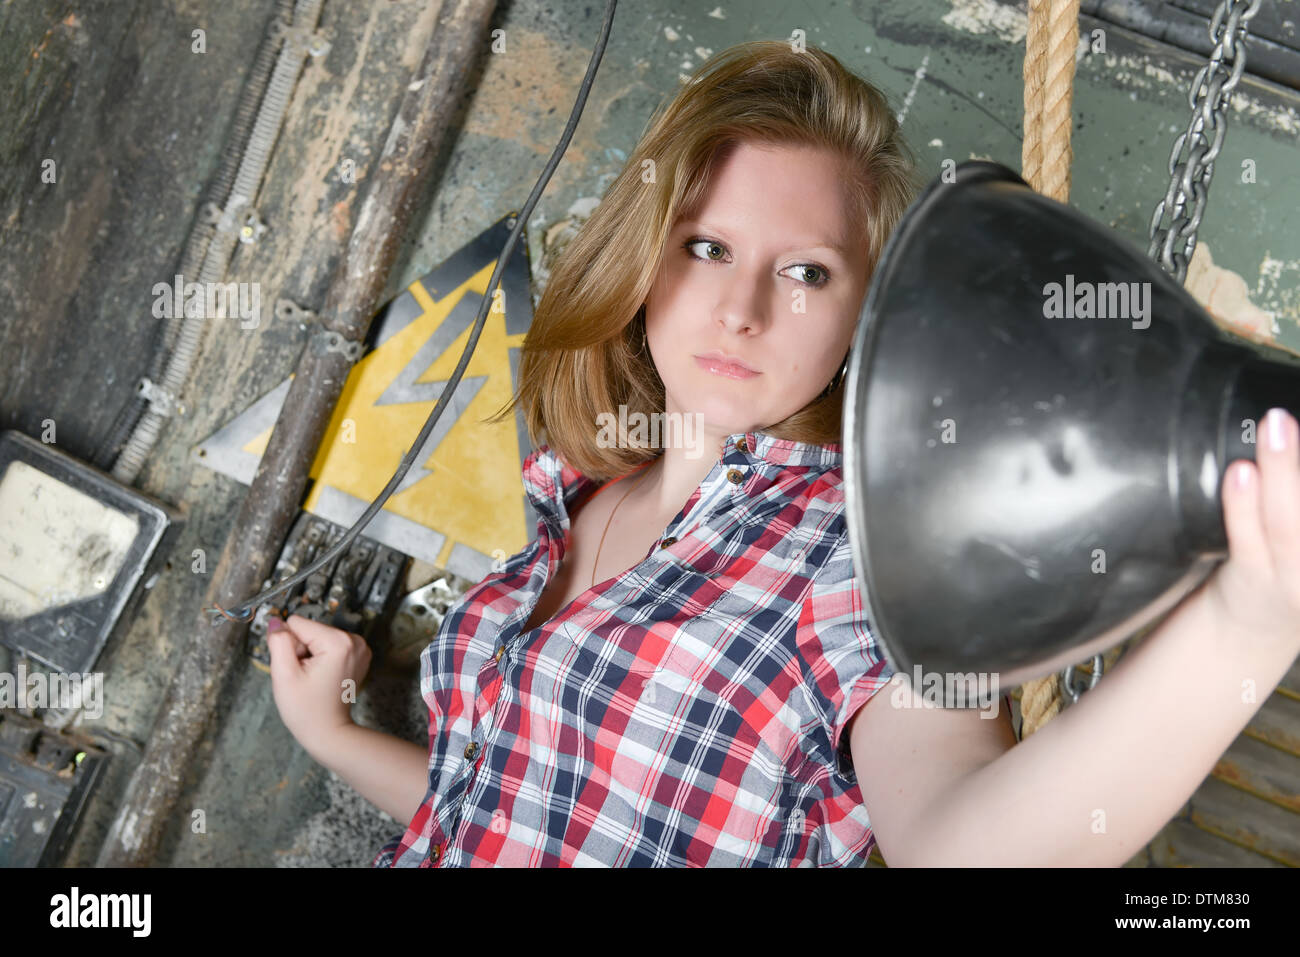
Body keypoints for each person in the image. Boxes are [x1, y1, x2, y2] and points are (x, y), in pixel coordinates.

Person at [266, 40, 1300, 867]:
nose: (741, 309)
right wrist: (335, 737)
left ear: (864, 315)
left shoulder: (869, 554)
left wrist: (1245, 628)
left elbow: (961, 845)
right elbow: (506, 810)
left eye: (805, 272)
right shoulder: (573, 486)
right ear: (646, 254)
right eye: (706, 248)